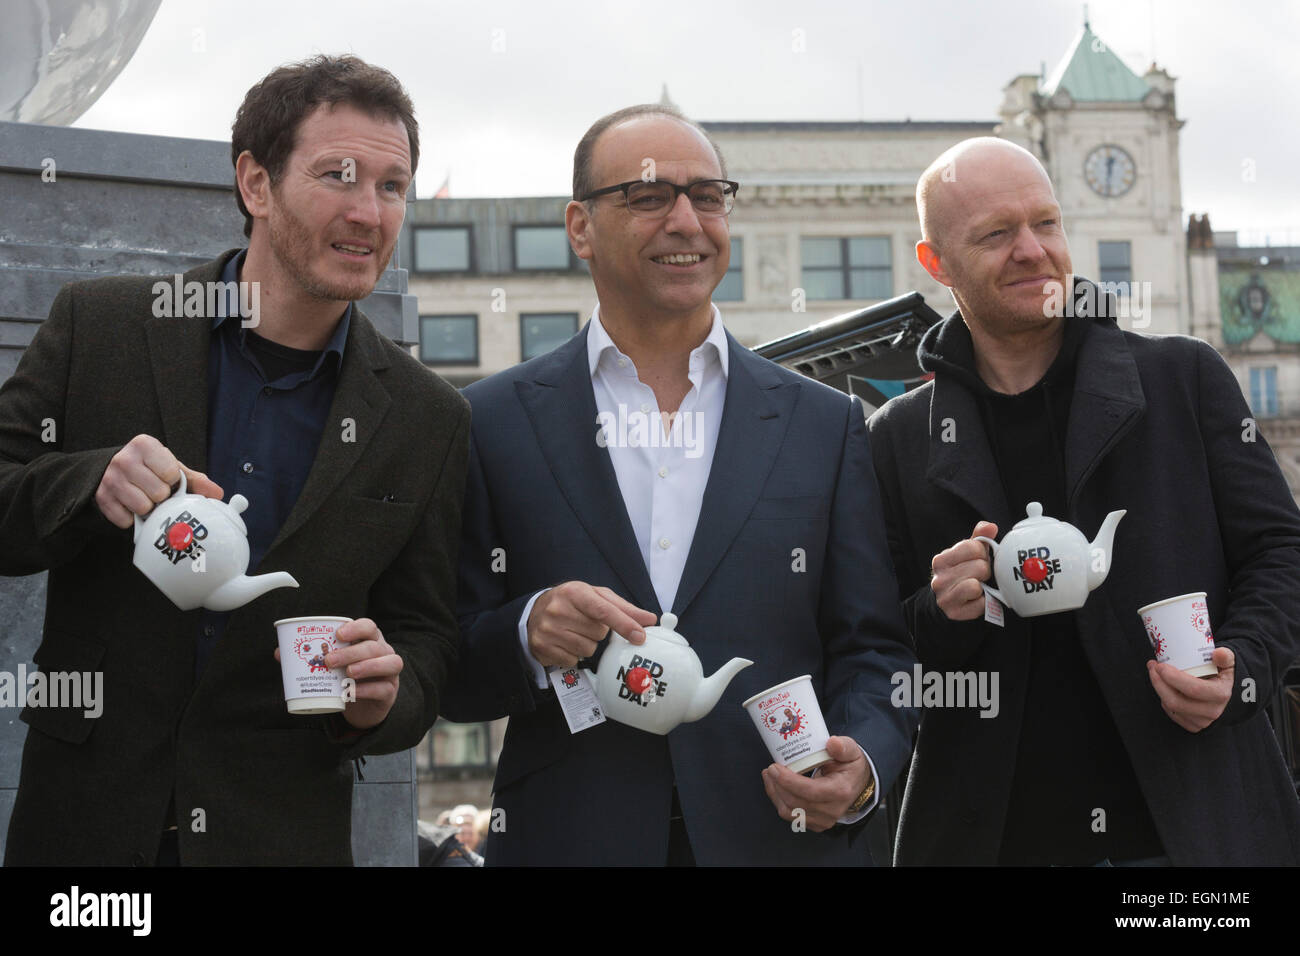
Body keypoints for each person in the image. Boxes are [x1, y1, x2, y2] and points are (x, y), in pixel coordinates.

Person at [0, 55, 469, 865]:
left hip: (281, 837)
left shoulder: (429, 417)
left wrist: (382, 699)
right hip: (82, 836)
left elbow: (427, 634)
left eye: (393, 187)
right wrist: (88, 481)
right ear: (256, 183)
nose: (370, 212)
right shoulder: (101, 327)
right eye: (340, 176)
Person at [441, 104, 917, 865]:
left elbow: (875, 650)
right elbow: (444, 658)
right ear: (580, 226)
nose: (687, 221)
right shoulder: (488, 421)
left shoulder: (823, 424)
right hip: (568, 840)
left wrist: (863, 761)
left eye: (708, 196)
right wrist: (526, 630)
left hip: (784, 841)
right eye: (650, 195)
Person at [866, 136, 1300, 865]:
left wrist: (1243, 668)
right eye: (997, 234)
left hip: (1194, 831)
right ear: (937, 263)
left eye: (1046, 223)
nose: (1033, 250)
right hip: (993, 840)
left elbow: (1282, 553)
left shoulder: (1182, 378)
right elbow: (871, 646)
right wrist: (939, 614)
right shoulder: (897, 438)